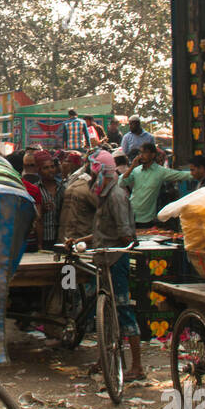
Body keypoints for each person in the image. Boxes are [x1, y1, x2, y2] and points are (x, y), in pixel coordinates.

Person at [68, 151, 145, 378]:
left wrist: (124, 249)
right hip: (102, 260)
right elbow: (102, 232)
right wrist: (79, 241)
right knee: (105, 314)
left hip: (116, 260)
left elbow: (124, 234)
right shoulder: (104, 196)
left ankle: (137, 366)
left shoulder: (116, 196)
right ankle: (104, 359)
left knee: (123, 310)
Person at [122, 143, 193, 227]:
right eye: (140, 153)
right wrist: (132, 167)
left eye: (145, 153)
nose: (141, 156)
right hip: (130, 215)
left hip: (146, 219)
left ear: (152, 155)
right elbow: (121, 182)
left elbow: (180, 175)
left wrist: (199, 173)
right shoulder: (136, 171)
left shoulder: (160, 172)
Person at [34, 151, 65, 250]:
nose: (50, 170)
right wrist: (42, 209)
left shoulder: (62, 188)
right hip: (44, 239)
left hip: (61, 238)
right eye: (46, 168)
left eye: (52, 167)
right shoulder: (36, 189)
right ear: (39, 170)